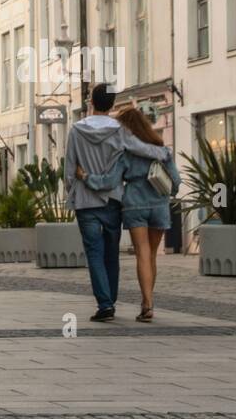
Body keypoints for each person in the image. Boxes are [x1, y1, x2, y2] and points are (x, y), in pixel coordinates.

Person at [64, 83, 173, 322]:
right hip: (113, 199)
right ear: (113, 104)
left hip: (85, 201)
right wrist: (164, 154)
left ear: (91, 102)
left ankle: (105, 304)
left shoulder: (75, 130)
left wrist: (71, 192)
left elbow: (70, 168)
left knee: (94, 252)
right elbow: (139, 148)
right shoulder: (119, 130)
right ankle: (112, 299)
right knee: (111, 252)